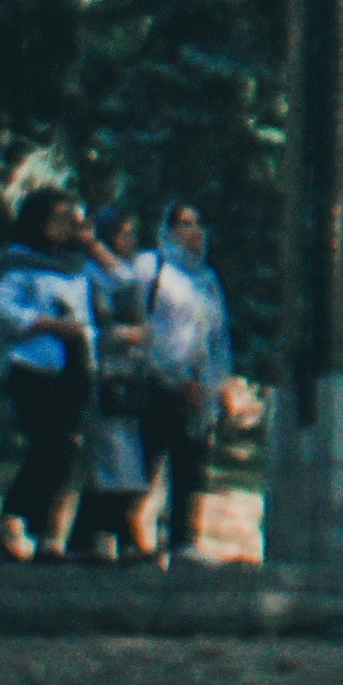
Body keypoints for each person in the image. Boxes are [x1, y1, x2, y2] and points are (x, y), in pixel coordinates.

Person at [0, 194, 95, 560]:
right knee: (51, 443)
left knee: (66, 448)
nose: (66, 227)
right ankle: (9, 516)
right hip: (30, 364)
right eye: (58, 218)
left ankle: (46, 535)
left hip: (71, 366)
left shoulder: (74, 265)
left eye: (71, 220)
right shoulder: (19, 263)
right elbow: (3, 310)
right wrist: (46, 324)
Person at [128, 205, 234, 562]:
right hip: (155, 380)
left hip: (197, 388)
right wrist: (170, 375)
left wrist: (215, 383)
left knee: (190, 464)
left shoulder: (206, 278)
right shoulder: (151, 267)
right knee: (145, 461)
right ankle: (129, 538)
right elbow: (139, 322)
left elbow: (218, 336)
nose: (194, 231)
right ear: (168, 229)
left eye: (199, 224)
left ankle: (182, 541)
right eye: (185, 224)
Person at [75, 211, 157, 558]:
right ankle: (106, 538)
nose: (130, 240)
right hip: (102, 374)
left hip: (129, 376)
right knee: (111, 461)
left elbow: (129, 286)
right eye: (123, 234)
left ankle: (104, 537)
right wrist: (126, 335)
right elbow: (91, 325)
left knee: (127, 463)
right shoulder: (89, 274)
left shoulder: (125, 271)